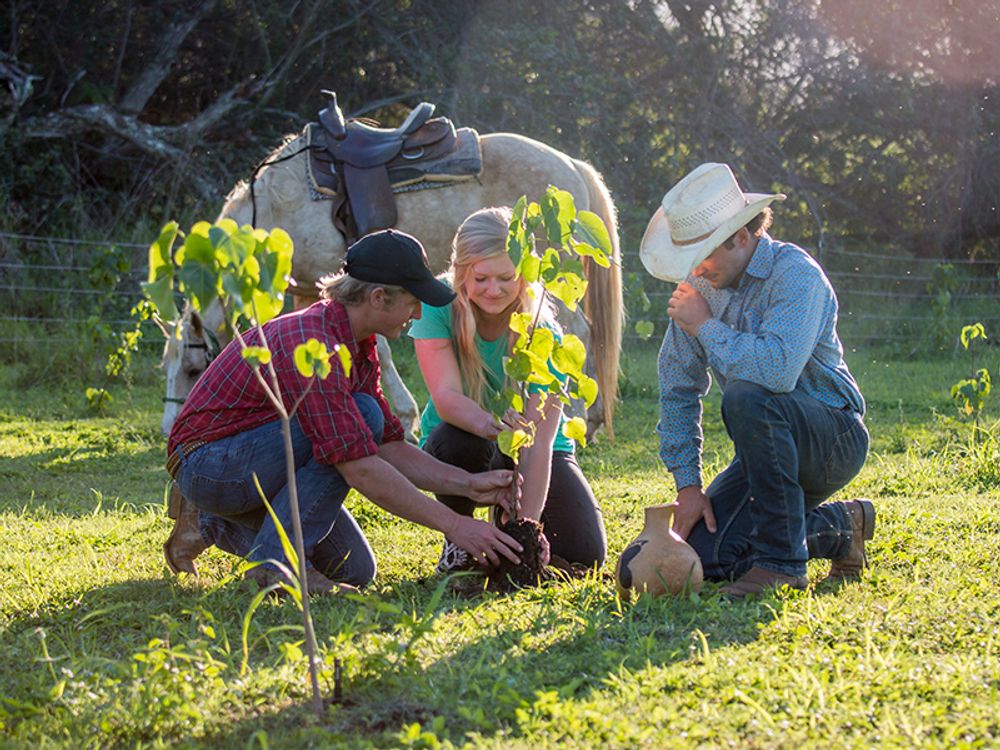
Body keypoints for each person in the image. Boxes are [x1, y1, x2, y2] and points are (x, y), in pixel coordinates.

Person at [163, 229, 523, 593]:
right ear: (379, 297)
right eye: (413, 301)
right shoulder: (313, 342)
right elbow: (360, 467)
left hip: (252, 461)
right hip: (208, 463)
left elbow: (388, 445)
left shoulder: (358, 343)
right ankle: (274, 566)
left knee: (354, 569)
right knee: (362, 414)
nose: (417, 313)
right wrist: (456, 525)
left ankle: (208, 521)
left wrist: (470, 485)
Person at [639, 162, 874, 598]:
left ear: (742, 238)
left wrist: (706, 326)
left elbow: (776, 372)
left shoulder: (796, 275)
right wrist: (688, 486)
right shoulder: (699, 289)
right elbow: (677, 389)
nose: (696, 269)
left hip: (831, 438)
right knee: (708, 558)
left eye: (704, 254)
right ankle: (841, 527)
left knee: (748, 395)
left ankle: (783, 564)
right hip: (765, 451)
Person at [409, 206, 607, 575]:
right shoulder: (436, 308)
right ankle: (460, 542)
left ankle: (504, 526)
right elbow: (448, 400)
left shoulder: (542, 332)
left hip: (532, 447)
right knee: (459, 442)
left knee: (584, 553)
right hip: (463, 437)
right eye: (481, 278)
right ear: (461, 273)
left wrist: (527, 530)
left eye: (506, 278)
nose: (493, 290)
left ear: (525, 276)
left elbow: (540, 440)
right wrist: (498, 427)